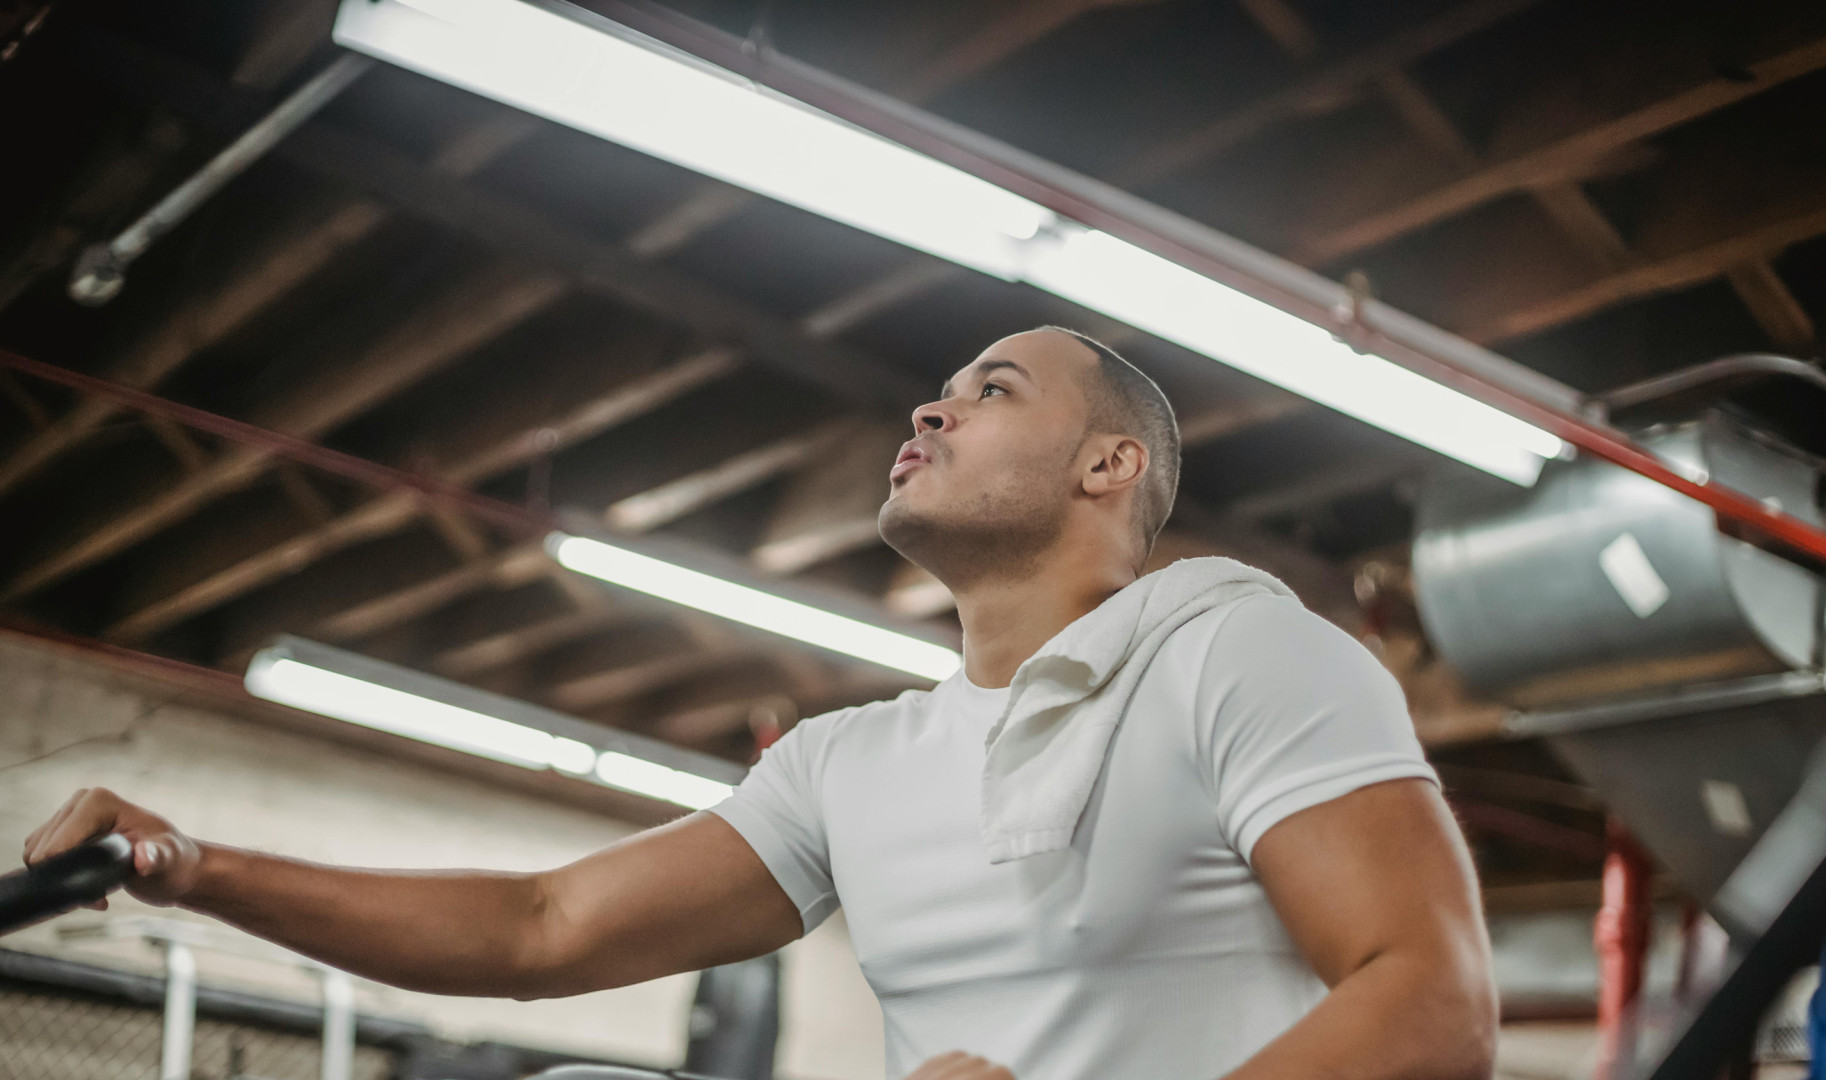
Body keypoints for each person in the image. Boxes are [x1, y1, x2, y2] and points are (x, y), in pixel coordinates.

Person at [23, 328, 1496, 1080]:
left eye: (990, 391)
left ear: (1110, 469)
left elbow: (1433, 1008)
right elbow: (543, 930)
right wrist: (198, 871)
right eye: (936, 390)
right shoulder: (851, 766)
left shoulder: (1237, 652)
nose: (929, 409)